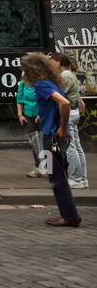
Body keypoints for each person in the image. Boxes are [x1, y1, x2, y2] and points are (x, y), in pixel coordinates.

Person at [20, 53, 81, 227]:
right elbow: (59, 103)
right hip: (55, 134)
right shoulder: (53, 82)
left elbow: (64, 103)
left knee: (56, 178)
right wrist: (44, 115)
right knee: (58, 175)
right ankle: (70, 214)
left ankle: (69, 216)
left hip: (51, 136)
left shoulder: (41, 84)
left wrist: (61, 128)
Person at [50, 53, 89, 189]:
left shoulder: (65, 76)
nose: (51, 64)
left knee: (71, 148)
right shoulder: (70, 74)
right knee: (77, 147)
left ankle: (76, 179)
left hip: (69, 114)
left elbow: (60, 95)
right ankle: (82, 178)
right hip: (74, 113)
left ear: (59, 62)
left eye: (53, 61)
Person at [17, 78, 44, 178]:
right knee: (34, 142)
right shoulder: (23, 83)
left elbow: (46, 99)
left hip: (42, 115)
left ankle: (49, 169)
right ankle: (38, 168)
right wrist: (20, 115)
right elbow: (19, 100)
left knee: (45, 142)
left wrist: (41, 114)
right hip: (28, 115)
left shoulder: (42, 82)